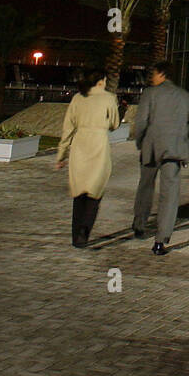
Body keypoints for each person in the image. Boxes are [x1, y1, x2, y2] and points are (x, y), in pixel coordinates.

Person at [132, 61, 189, 256]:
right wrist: (185, 150)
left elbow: (141, 121)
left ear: (162, 74)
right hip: (174, 150)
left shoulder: (150, 93)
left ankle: (139, 224)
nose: (152, 77)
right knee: (170, 195)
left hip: (151, 147)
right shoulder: (185, 97)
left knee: (145, 186)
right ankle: (161, 239)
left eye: (154, 73)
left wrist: (140, 142)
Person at [55, 70, 120, 248]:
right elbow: (115, 124)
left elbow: (67, 128)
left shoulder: (78, 98)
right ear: (100, 81)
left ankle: (76, 235)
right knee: (95, 191)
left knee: (79, 192)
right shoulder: (108, 98)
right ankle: (85, 230)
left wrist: (61, 155)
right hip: (99, 145)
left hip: (80, 146)